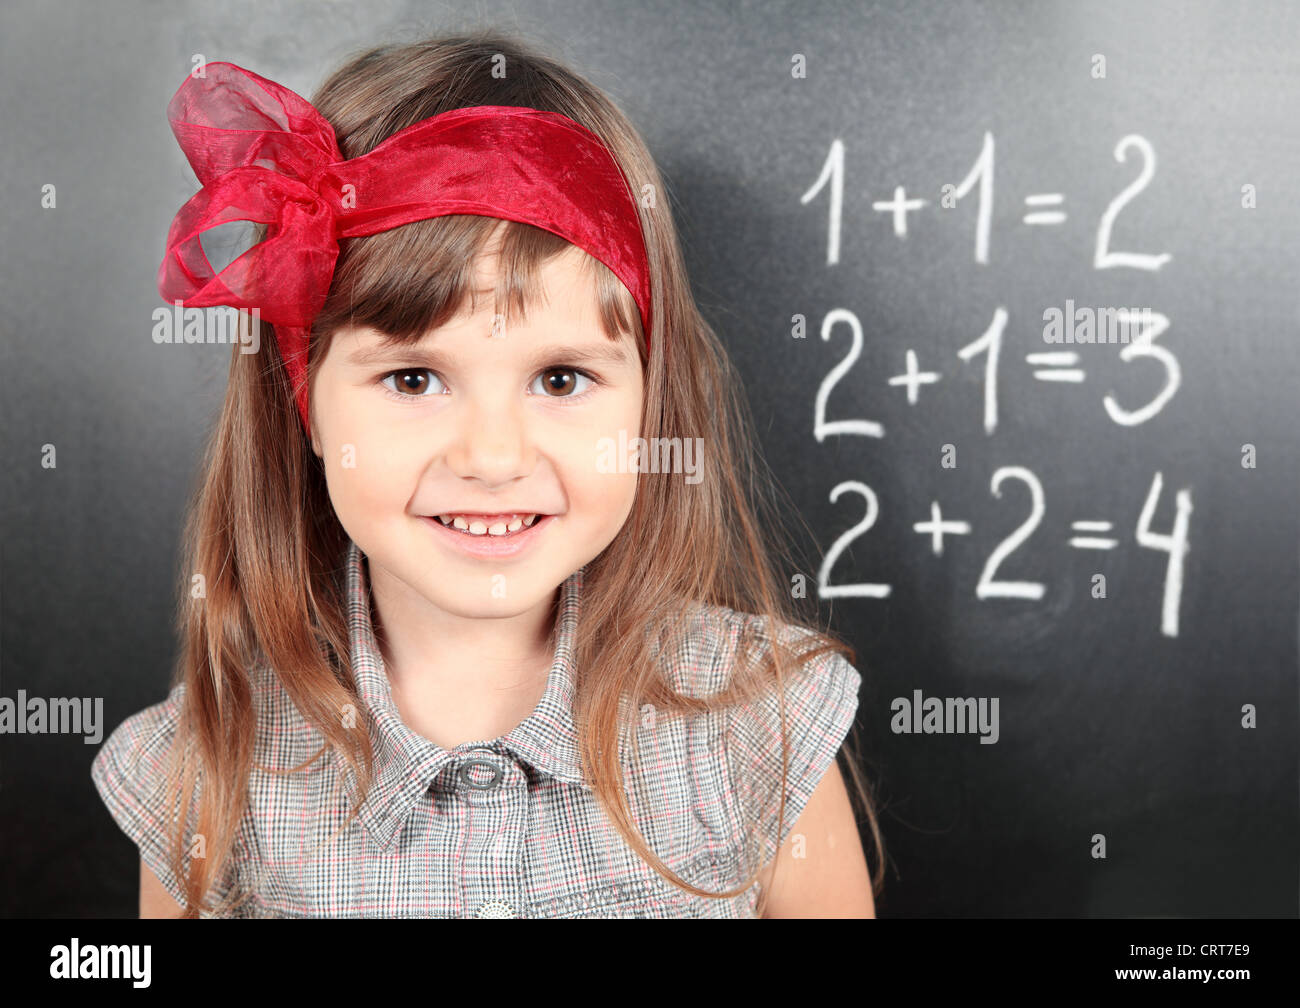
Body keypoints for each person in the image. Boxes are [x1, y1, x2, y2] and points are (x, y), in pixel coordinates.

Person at [90, 30, 886, 918]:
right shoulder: (202, 773)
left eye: (561, 378)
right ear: (304, 402)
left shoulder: (761, 724)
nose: (494, 458)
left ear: (648, 400)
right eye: (413, 379)